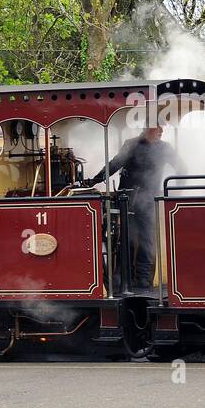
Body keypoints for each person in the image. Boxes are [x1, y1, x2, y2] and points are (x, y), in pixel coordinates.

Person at [85, 125, 185, 292]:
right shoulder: (131, 144)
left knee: (146, 239)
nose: (161, 132)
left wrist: (177, 192)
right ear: (147, 129)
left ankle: (143, 277)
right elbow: (115, 164)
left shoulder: (165, 148)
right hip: (128, 199)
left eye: (162, 130)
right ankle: (126, 276)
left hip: (147, 199)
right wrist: (95, 180)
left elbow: (181, 168)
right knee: (126, 239)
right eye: (157, 129)